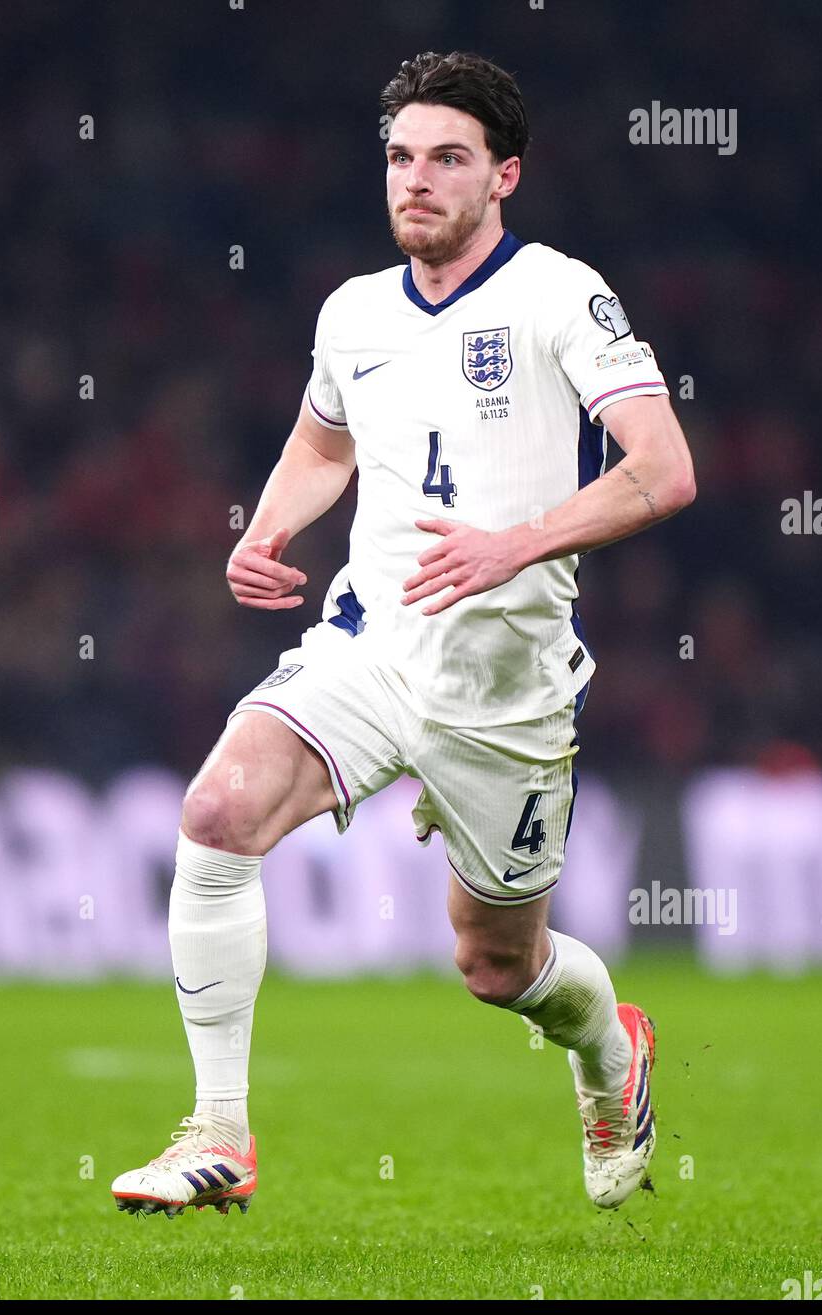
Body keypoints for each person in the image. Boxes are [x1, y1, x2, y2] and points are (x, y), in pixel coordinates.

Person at [111, 50, 695, 1219]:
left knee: (496, 966)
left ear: (503, 176)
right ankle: (217, 1131)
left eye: (446, 159)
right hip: (368, 645)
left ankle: (610, 1056)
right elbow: (324, 442)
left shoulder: (557, 296)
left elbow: (665, 469)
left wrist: (512, 543)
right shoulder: (354, 311)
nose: (415, 181)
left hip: (506, 687)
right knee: (218, 809)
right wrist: (266, 529)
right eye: (399, 158)